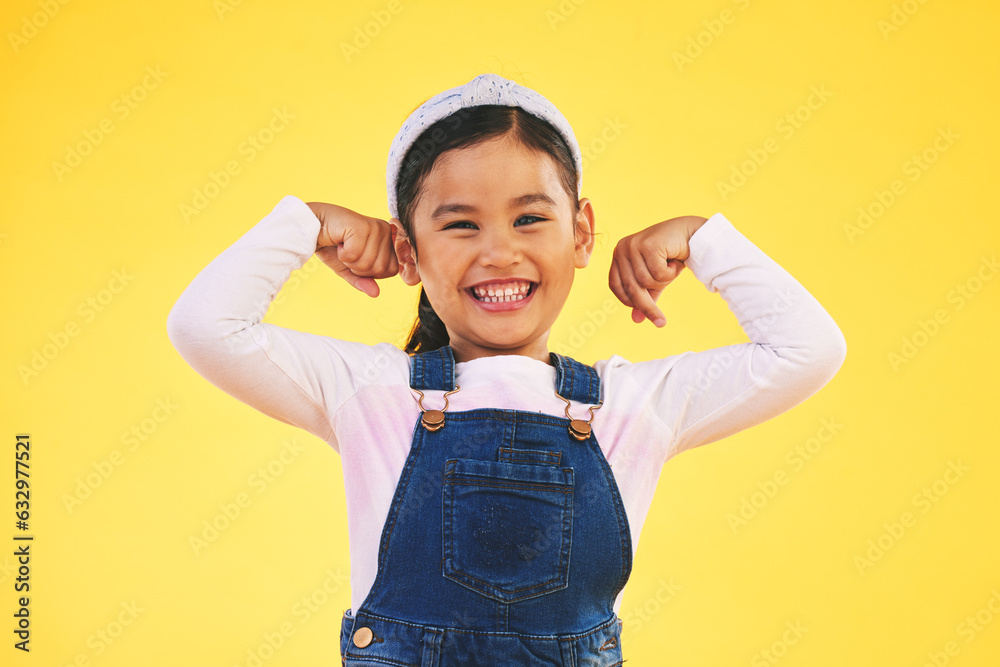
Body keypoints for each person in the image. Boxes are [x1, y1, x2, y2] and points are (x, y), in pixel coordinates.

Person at [166, 72, 846, 665]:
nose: (498, 251)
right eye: (461, 225)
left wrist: (704, 240)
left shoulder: (629, 405)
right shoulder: (374, 394)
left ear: (581, 233)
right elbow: (205, 326)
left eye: (529, 218)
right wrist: (306, 224)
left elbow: (808, 349)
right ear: (407, 250)